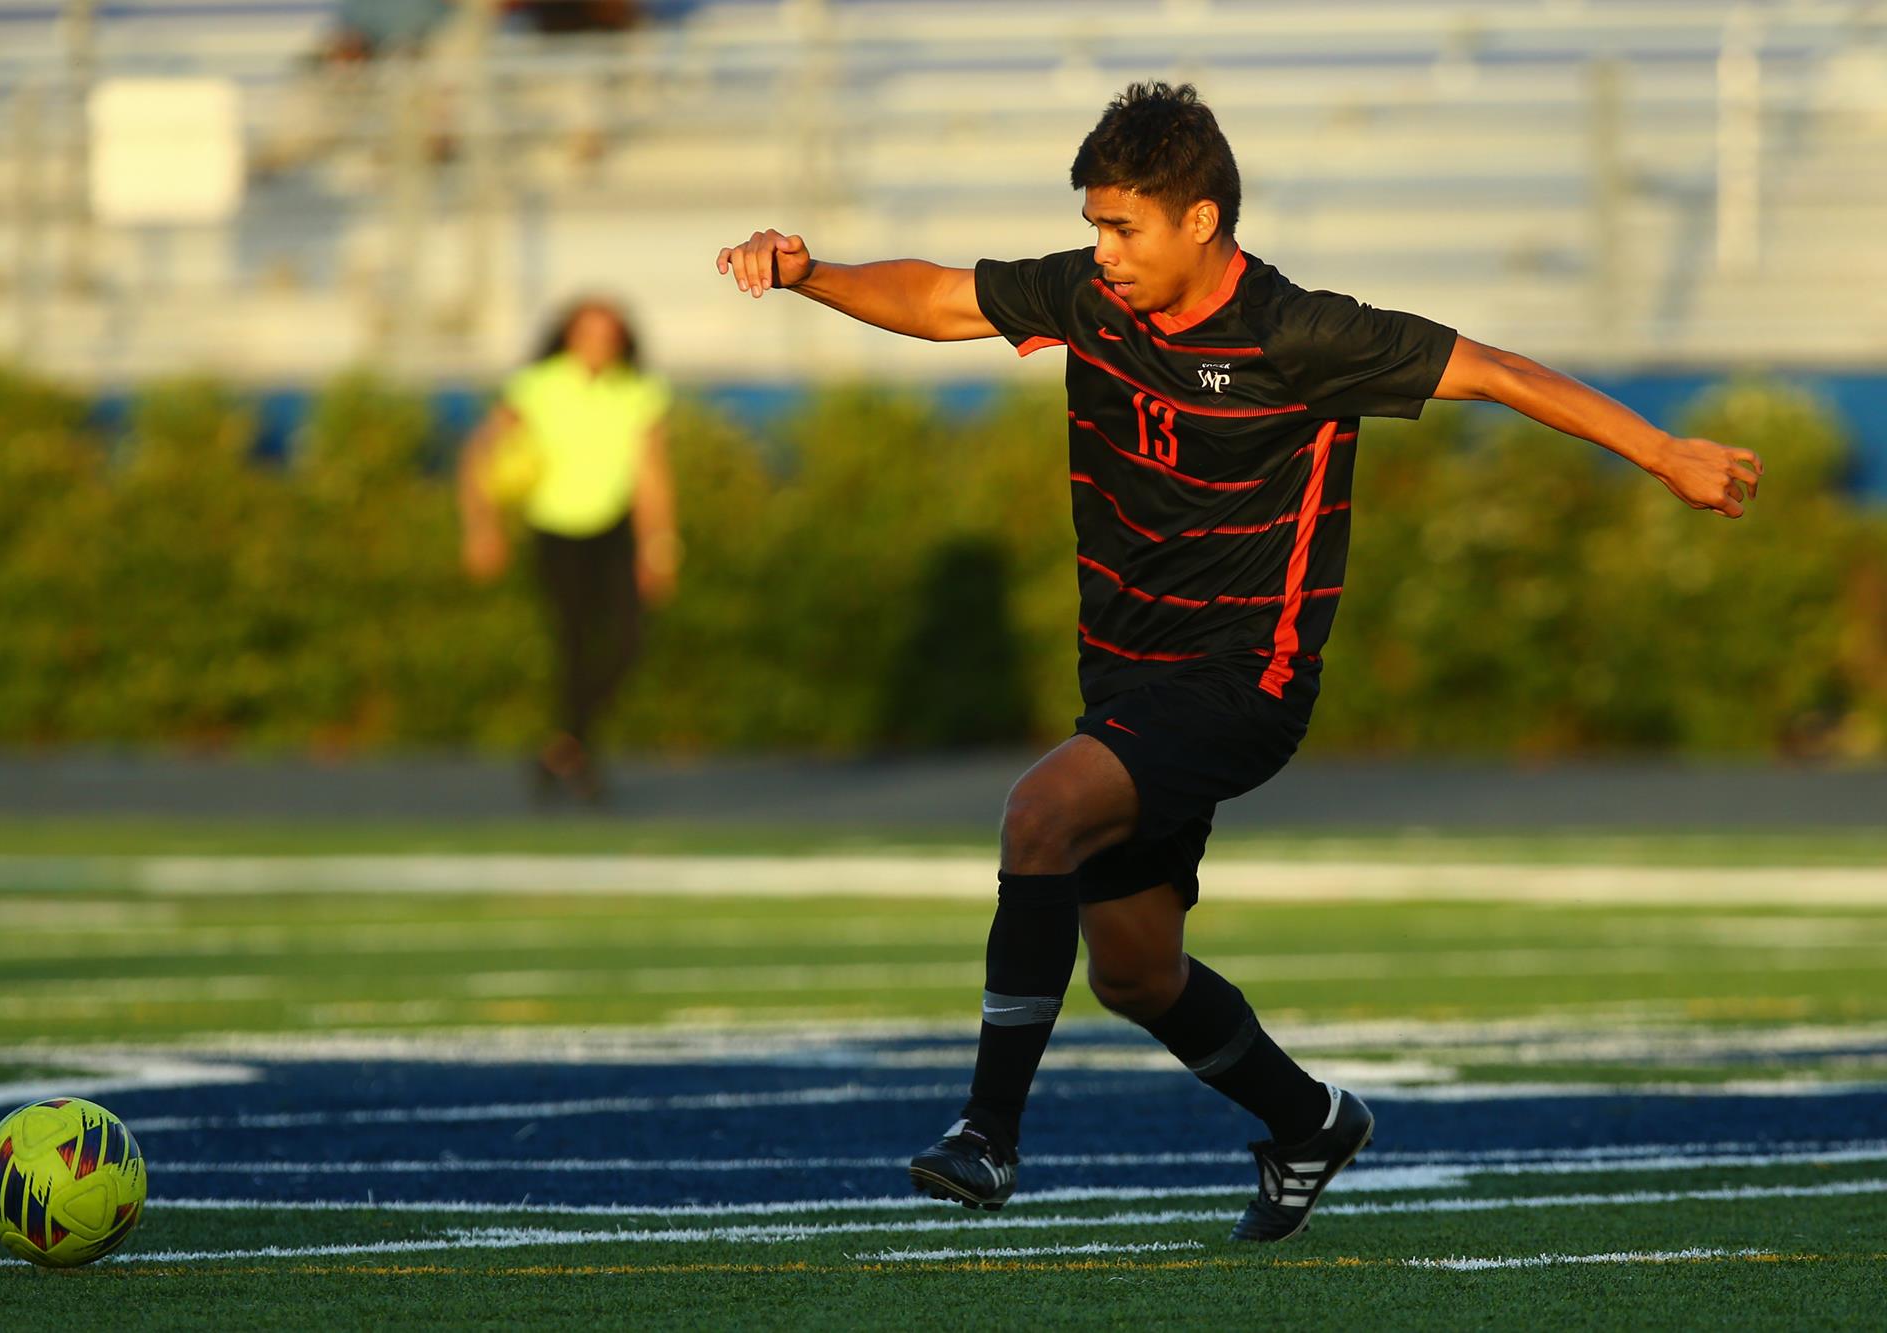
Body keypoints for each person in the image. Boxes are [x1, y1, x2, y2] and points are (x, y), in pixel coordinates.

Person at [715, 82, 1762, 1242]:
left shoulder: (1297, 333)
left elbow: (1495, 370)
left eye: (1123, 228)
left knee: (1036, 815)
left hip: (1241, 682)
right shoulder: (1085, 296)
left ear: (1200, 221)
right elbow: (936, 296)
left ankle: (985, 1137)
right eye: (1093, 225)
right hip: (1122, 678)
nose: (1099, 252)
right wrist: (811, 274)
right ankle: (1309, 1121)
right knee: (1133, 971)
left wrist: (1662, 451)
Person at [457, 298, 679, 802]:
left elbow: (652, 477)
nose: (598, 343)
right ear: (569, 336)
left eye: (608, 333)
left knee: (627, 642)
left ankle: (561, 748)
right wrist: (481, 526)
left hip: (614, 529)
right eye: (588, 332)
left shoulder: (638, 392)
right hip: (556, 529)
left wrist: (659, 546)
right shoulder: (538, 386)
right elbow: (479, 452)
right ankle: (580, 759)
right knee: (576, 645)